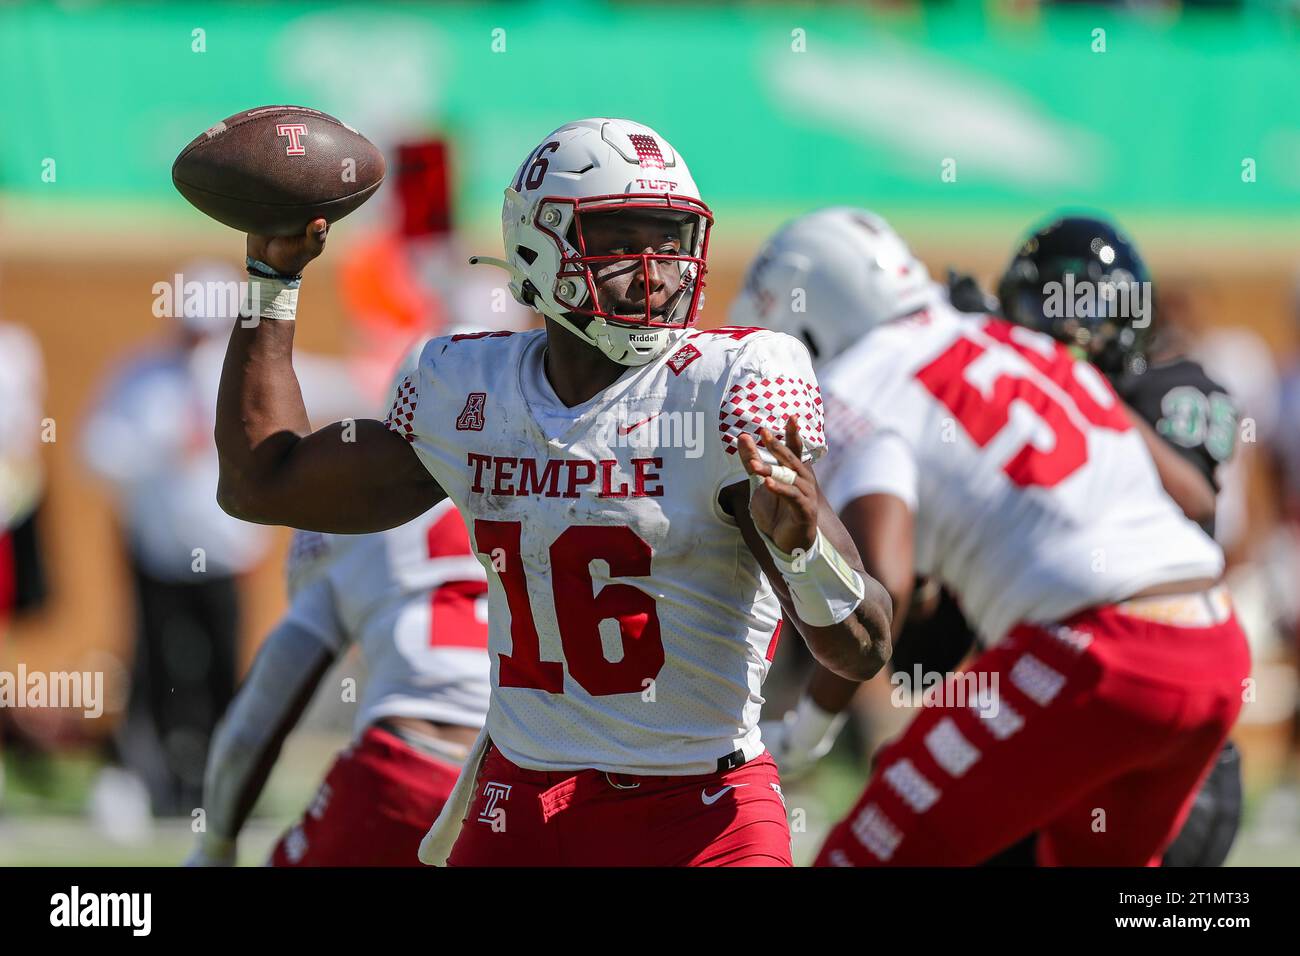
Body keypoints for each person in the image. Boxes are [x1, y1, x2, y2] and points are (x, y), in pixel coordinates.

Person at [211, 118, 892, 867]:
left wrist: (803, 555)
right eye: (623, 238)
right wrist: (273, 284)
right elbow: (262, 484)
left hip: (701, 814)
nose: (658, 270)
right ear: (539, 246)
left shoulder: (721, 390)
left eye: (672, 241)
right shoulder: (471, 393)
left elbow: (863, 649)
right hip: (525, 809)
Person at [734, 207, 1247, 866]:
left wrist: (809, 725)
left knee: (860, 856)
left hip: (1099, 652)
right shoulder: (1010, 341)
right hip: (1213, 636)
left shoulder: (861, 381)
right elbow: (1187, 503)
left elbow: (881, 588)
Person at [186, 490, 489, 866]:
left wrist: (215, 845)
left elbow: (254, 723)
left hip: (408, 768)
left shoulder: (349, 511)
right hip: (522, 777)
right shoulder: (536, 484)